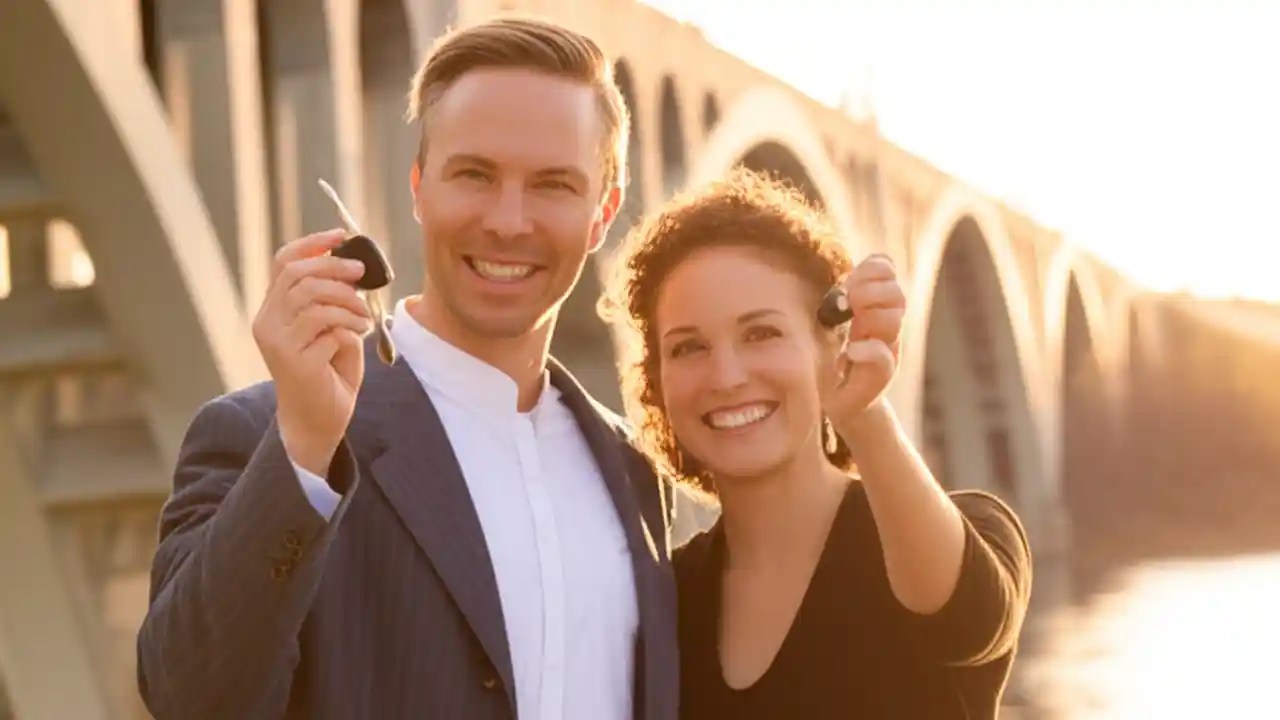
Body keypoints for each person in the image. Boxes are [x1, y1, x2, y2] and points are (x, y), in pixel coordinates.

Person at [136, 17, 678, 720]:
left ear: (602, 214)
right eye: (475, 174)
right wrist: (303, 442)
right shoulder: (262, 434)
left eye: (552, 185)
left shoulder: (634, 472)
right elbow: (189, 697)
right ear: (420, 187)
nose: (508, 220)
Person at [600, 168, 1033, 718]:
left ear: (832, 348)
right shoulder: (667, 600)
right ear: (657, 381)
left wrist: (863, 415)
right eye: (688, 348)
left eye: (761, 333)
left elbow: (969, 621)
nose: (727, 375)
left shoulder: (964, 534)